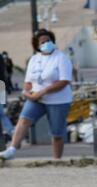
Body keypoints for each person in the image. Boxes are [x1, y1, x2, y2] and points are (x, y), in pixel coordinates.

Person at [0, 29, 73, 160]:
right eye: (43, 42)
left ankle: (57, 159)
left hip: (58, 100)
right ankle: (12, 150)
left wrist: (43, 91)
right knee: (23, 120)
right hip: (36, 99)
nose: (46, 43)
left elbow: (64, 81)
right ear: (37, 45)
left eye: (48, 40)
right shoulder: (34, 59)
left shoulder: (61, 58)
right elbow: (28, 82)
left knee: (57, 133)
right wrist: (27, 93)